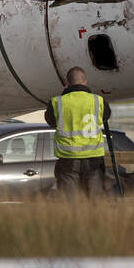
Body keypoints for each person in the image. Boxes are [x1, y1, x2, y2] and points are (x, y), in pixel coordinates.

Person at [45, 66, 112, 200]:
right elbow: (105, 117)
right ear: (85, 82)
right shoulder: (98, 101)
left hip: (68, 158)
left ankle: (74, 220)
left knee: (70, 202)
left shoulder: (57, 102)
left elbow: (51, 121)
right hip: (93, 157)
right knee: (96, 200)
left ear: (67, 83)